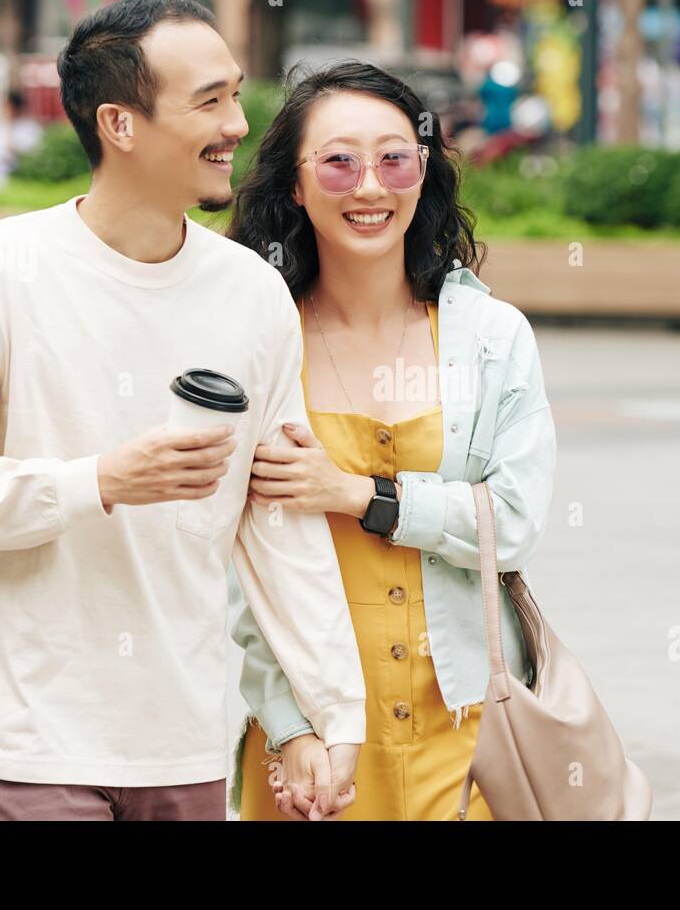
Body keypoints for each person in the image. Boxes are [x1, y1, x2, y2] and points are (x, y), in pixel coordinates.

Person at [0, 0, 365, 821]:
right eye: (208, 101)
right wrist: (99, 481)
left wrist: (325, 712)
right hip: (26, 732)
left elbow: (277, 520)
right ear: (120, 124)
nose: (238, 125)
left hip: (180, 733)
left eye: (235, 93)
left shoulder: (252, 293)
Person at [226, 61, 557, 820]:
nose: (370, 186)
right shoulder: (259, 341)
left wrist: (357, 495)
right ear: (295, 186)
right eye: (339, 162)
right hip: (313, 743)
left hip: (472, 731)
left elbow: (512, 524)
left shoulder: (491, 337)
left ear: (423, 171)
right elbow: (233, 567)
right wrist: (288, 724)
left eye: (395, 158)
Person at [0, 90, 45, 188]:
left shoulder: (29, 127)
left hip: (14, 171)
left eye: (7, 106)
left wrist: (10, 128)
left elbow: (31, 154)